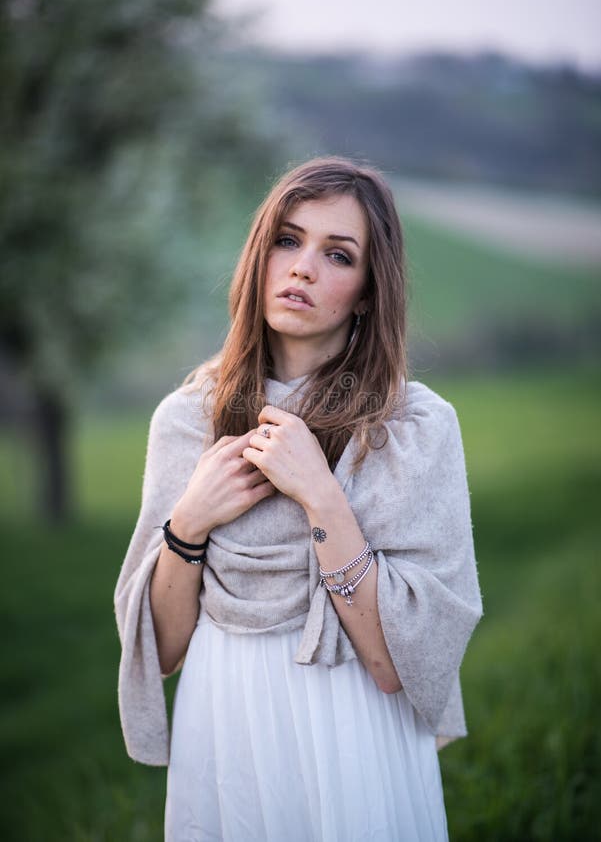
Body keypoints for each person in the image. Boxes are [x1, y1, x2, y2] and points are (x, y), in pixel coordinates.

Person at [114, 156, 483, 842]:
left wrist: (320, 493)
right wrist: (189, 521)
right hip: (224, 718)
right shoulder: (187, 420)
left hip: (357, 722)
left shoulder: (413, 429)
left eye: (337, 254)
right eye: (287, 240)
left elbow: (395, 663)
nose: (303, 268)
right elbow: (159, 650)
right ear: (259, 257)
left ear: (368, 291)